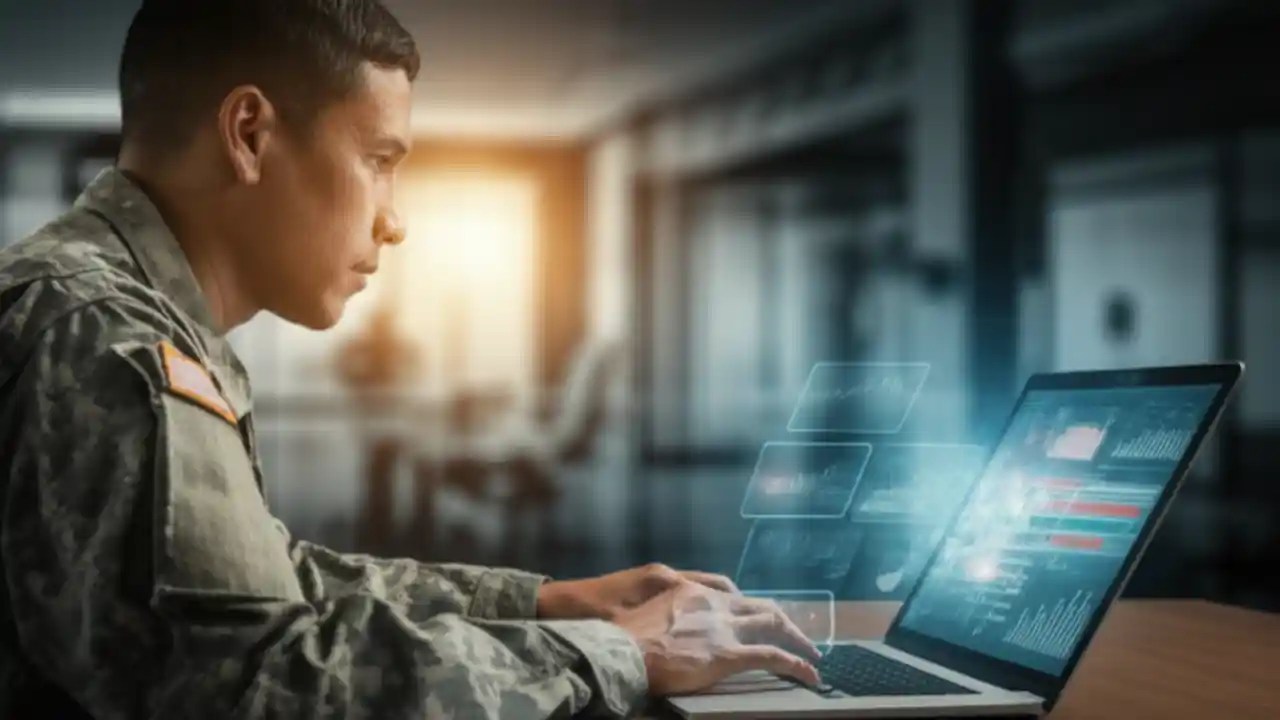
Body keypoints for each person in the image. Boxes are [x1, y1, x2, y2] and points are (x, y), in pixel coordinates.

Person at [0, 1, 821, 717]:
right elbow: (261, 684)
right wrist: (615, 655)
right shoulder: (111, 339)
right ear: (249, 134)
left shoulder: (105, 305)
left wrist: (543, 604)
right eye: (380, 162)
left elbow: (258, 590)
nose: (395, 222)